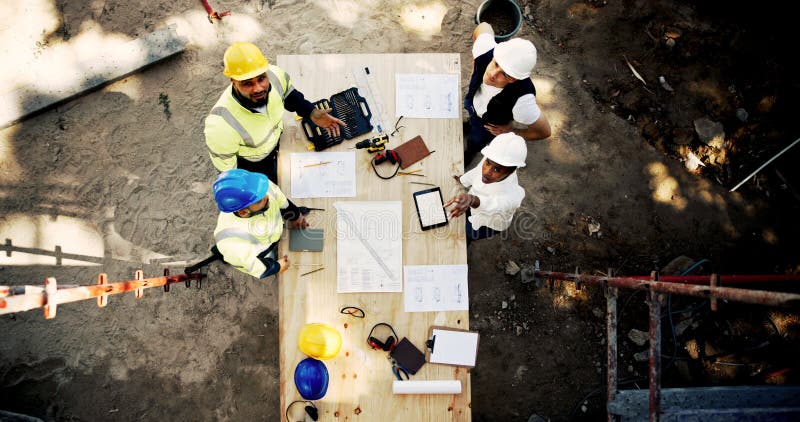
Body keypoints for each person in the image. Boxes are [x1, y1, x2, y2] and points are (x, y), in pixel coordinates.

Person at [204, 41, 345, 181]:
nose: (258, 88)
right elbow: (229, 175)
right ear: (232, 80)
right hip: (254, 163)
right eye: (247, 83)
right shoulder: (220, 125)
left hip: (275, 141)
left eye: (261, 78)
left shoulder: (275, 75)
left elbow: (289, 95)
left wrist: (310, 111)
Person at [463, 23, 551, 165]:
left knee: (476, 140)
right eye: (496, 64)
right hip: (473, 103)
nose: (492, 74)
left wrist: (512, 131)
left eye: (504, 74)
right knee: (471, 118)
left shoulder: (522, 102)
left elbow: (544, 131)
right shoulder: (485, 50)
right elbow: (484, 27)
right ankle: (470, 124)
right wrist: (476, 62)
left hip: (489, 126)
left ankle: (470, 151)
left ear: (514, 79)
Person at [212, 168, 308, 278]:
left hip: (270, 236)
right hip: (262, 249)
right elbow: (253, 266)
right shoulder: (231, 242)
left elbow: (282, 201)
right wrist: (277, 266)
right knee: (268, 257)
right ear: (243, 212)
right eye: (258, 201)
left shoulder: (260, 188)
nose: (267, 197)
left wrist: (296, 216)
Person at [445, 133, 527, 242]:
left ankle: (468, 241)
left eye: (497, 170)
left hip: (489, 223)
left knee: (470, 232)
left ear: (512, 171)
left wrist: (472, 200)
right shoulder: (492, 160)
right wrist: (462, 180)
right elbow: (476, 172)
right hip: (473, 205)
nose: (487, 172)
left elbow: (494, 204)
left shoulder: (513, 195)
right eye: (487, 163)